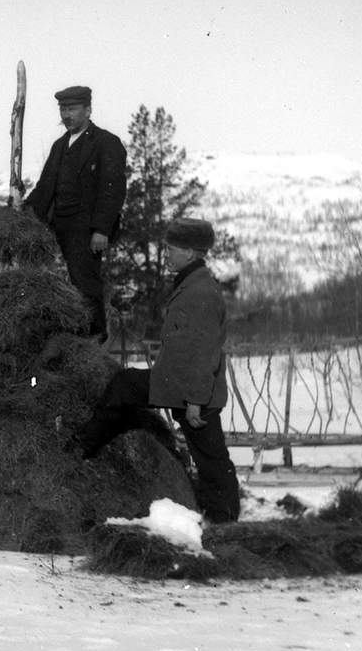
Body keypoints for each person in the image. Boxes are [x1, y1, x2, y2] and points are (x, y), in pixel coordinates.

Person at [75, 217, 241, 524]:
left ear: (191, 253)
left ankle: (225, 521)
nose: (166, 254)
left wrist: (195, 400)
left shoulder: (201, 292)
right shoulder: (192, 283)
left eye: (172, 249)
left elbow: (205, 352)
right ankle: (82, 445)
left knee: (211, 459)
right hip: (178, 383)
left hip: (192, 391)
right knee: (125, 384)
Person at [23, 85, 127, 342]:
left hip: (86, 230)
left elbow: (111, 190)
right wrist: (21, 213)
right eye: (62, 109)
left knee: (86, 283)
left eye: (72, 109)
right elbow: (45, 188)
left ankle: (95, 340)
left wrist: (101, 229)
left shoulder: (107, 143)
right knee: (55, 285)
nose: (66, 115)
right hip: (57, 226)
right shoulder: (59, 146)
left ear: (88, 110)